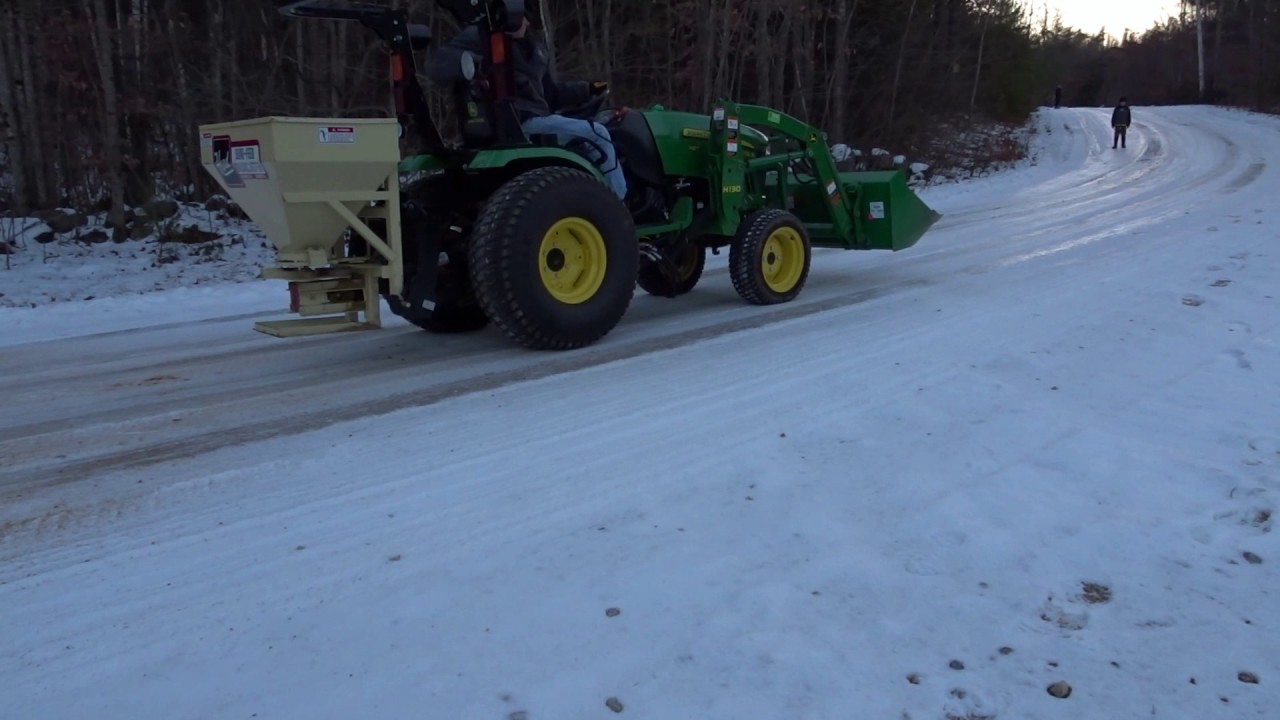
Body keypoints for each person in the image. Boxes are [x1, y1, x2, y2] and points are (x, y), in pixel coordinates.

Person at [425, 12, 627, 200]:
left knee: (593, 132)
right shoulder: (482, 37)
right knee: (598, 134)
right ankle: (619, 205)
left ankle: (592, 198)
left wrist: (587, 89)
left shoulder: (535, 49)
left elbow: (550, 94)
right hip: (517, 123)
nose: (527, 22)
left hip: (536, 119)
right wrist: (477, 65)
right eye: (523, 15)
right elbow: (437, 64)